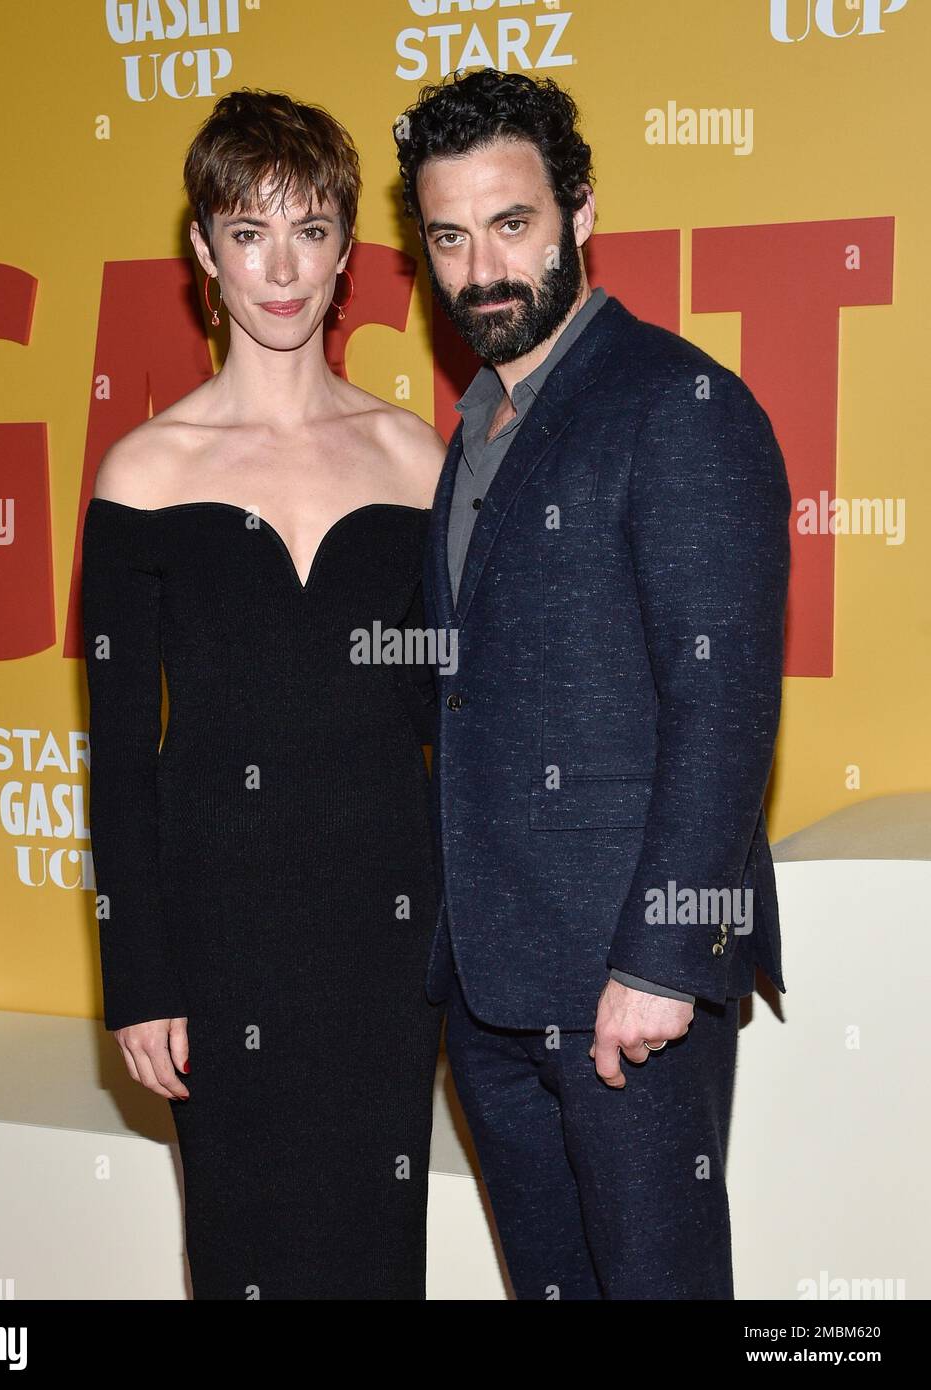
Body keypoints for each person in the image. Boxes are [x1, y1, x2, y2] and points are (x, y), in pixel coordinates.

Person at [394, 68, 791, 1299]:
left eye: (511, 224)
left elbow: (721, 707)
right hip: (493, 983)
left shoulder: (678, 405)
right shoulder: (474, 432)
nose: (481, 270)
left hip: (630, 987)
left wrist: (663, 962)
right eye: (448, 237)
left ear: (579, 212)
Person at [81, 88, 446, 1300]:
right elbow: (121, 756)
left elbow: (455, 722)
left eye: (310, 230)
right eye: (249, 231)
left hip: (385, 932)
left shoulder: (418, 460)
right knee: (239, 1258)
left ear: (348, 251)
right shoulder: (144, 473)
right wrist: (138, 977)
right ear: (203, 250)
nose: (280, 268)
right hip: (221, 931)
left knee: (375, 1258)